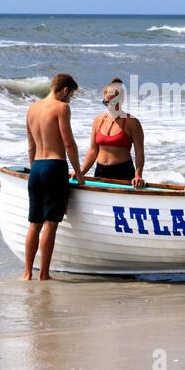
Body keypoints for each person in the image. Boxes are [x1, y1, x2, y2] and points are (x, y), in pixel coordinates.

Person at [23, 73, 83, 280]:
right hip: (55, 166)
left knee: (34, 223)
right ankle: (44, 274)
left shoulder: (32, 109)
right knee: (50, 223)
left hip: (37, 168)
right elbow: (68, 144)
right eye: (71, 95)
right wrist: (80, 172)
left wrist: (34, 171)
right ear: (65, 90)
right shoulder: (61, 108)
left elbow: (31, 145)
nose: (70, 100)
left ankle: (27, 273)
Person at [82, 77, 145, 187]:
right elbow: (93, 150)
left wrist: (138, 175)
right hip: (100, 171)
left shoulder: (132, 123)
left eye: (113, 102)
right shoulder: (98, 121)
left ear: (121, 100)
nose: (109, 105)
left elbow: (139, 153)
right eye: (106, 102)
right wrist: (81, 172)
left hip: (123, 171)